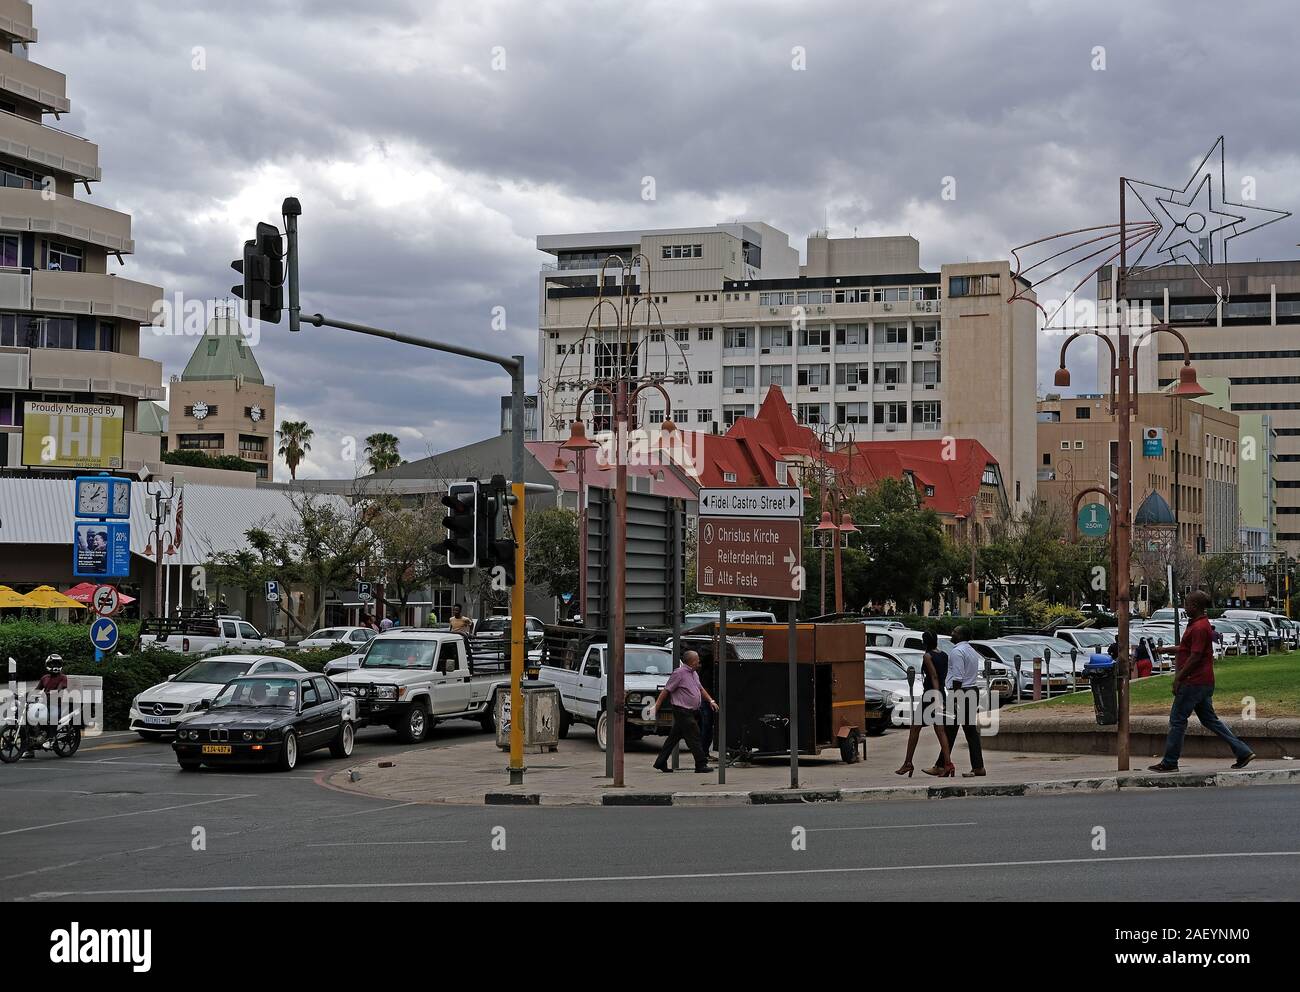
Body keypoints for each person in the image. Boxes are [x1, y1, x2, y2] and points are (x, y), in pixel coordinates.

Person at [1148, 591, 1255, 772]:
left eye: (1187, 604)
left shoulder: (1199, 627)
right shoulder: (1199, 625)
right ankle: (1242, 751)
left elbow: (1195, 656)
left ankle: (1170, 762)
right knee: (1210, 720)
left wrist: (1179, 677)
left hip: (1193, 682)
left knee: (1177, 720)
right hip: (1203, 682)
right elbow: (1187, 649)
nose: (1185, 607)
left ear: (1195, 607)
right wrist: (1166, 649)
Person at [924, 626, 986, 778]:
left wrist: (955, 699)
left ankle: (941, 766)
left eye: (955, 632)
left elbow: (957, 677)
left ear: (961, 636)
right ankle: (978, 767)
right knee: (969, 731)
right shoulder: (971, 650)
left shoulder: (957, 652)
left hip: (960, 692)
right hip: (971, 690)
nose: (952, 633)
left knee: (950, 730)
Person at [895, 630, 954, 778]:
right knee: (940, 731)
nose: (922, 643)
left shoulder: (927, 656)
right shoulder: (944, 655)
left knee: (914, 728)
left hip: (931, 695)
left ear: (926, 642)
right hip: (941, 693)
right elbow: (942, 676)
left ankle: (908, 763)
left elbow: (933, 676)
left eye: (923, 641)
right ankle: (948, 764)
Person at [651, 650, 717, 773]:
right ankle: (701, 764)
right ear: (692, 662)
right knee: (694, 734)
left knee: (673, 738)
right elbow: (666, 690)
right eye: (697, 660)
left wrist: (710, 701)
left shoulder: (694, 673)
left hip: (692, 711)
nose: (699, 662)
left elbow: (700, 689)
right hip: (682, 710)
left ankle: (660, 762)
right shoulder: (679, 673)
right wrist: (656, 706)